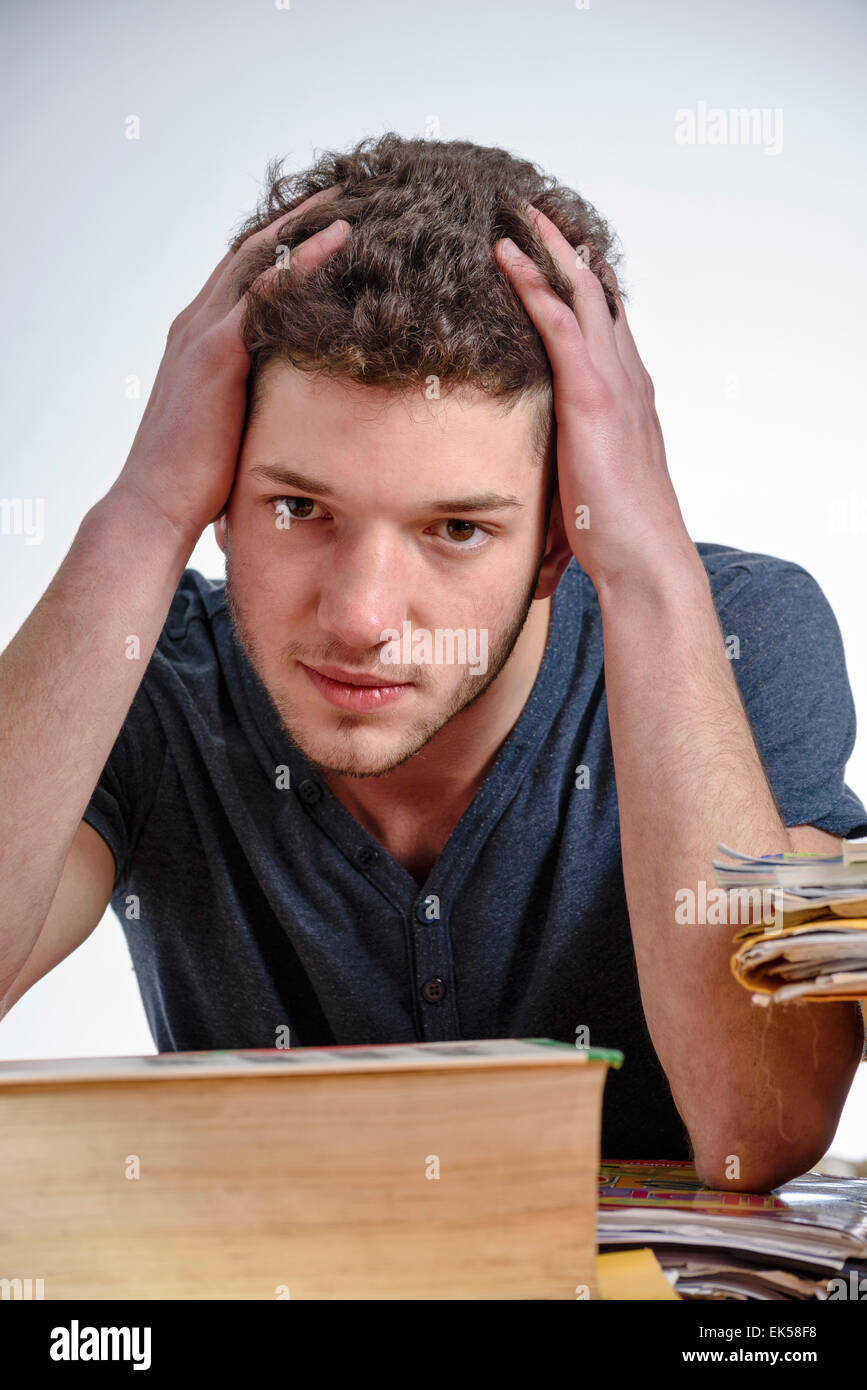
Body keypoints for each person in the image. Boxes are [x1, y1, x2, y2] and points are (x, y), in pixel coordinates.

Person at [2, 133, 864, 1190]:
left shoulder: (737, 636)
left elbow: (759, 1127)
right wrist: (138, 517)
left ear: (558, 539)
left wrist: (648, 568)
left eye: (456, 528)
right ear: (219, 497)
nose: (362, 618)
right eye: (297, 506)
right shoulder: (144, 672)